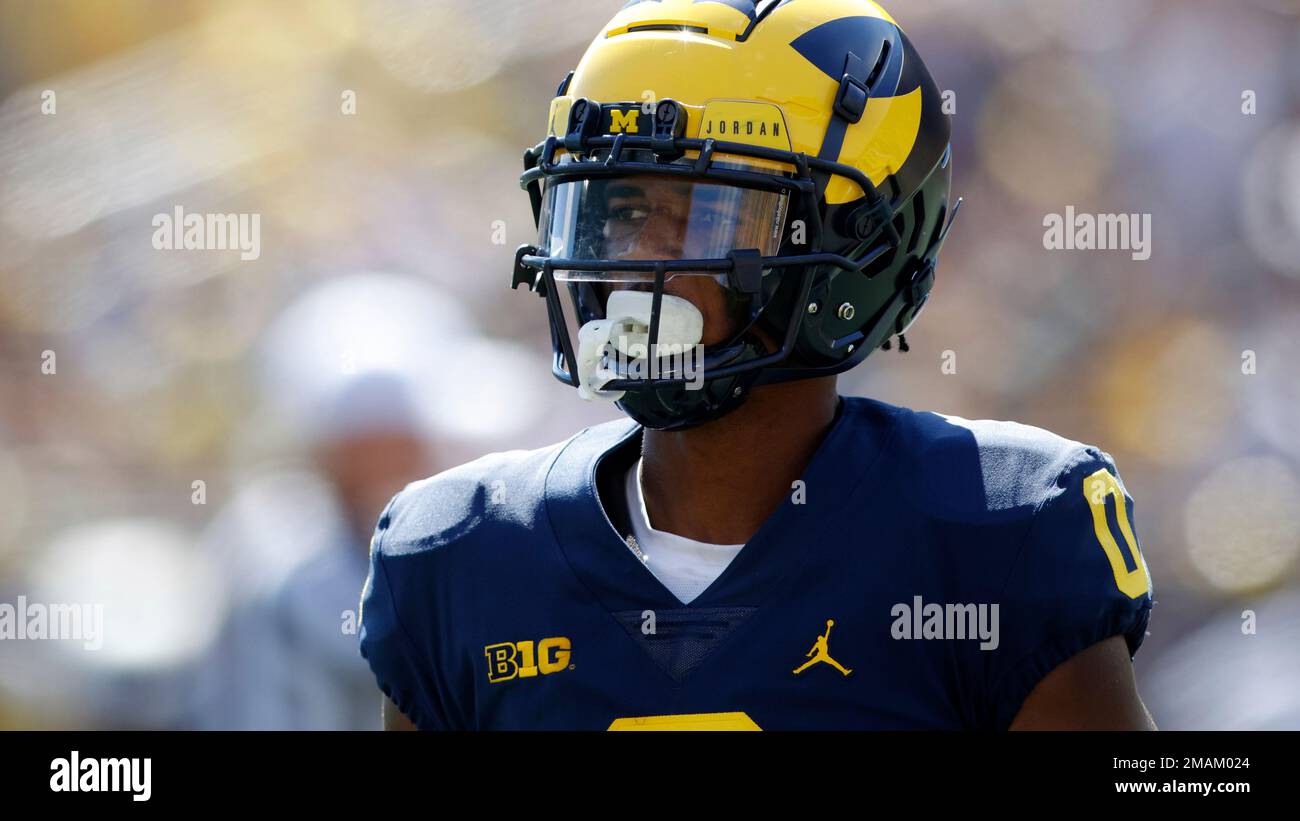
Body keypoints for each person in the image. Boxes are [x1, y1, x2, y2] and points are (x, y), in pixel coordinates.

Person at [360, 0, 1155, 730]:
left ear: (853, 246)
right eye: (620, 210)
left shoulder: (999, 532)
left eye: (701, 211)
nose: (637, 260)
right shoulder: (460, 556)